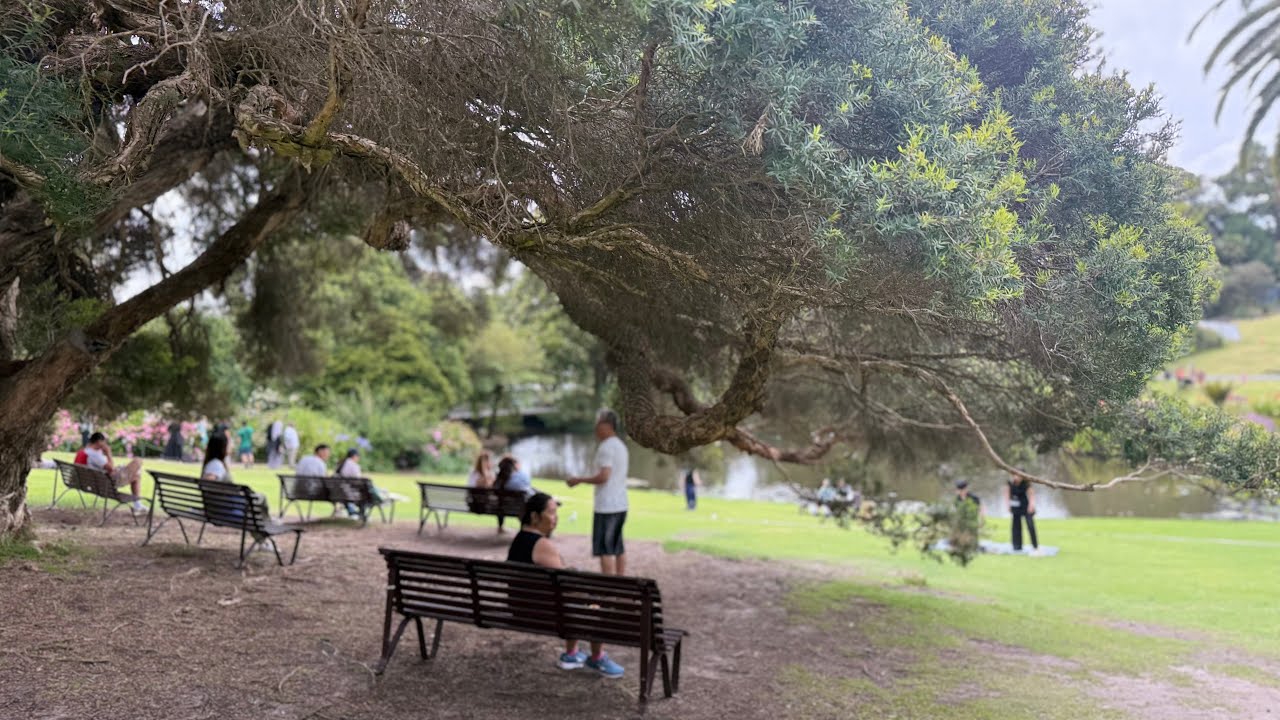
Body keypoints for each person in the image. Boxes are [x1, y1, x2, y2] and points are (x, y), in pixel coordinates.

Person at [507, 492, 624, 678]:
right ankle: (596, 656)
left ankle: (572, 654)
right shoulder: (541, 544)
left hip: (519, 606)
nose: (556, 518)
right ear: (535, 516)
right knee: (595, 599)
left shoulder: (519, 539)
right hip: (540, 613)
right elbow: (566, 583)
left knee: (576, 597)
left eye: (556, 512)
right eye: (551, 513)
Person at [567, 408, 629, 577]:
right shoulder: (621, 445)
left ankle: (608, 588)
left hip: (607, 506)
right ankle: (621, 584)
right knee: (618, 547)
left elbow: (604, 476)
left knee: (605, 549)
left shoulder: (606, 447)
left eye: (598, 423)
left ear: (607, 425)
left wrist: (578, 480)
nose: (595, 427)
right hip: (621, 504)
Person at [80, 432, 146, 515]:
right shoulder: (94, 455)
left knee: (136, 475)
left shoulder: (85, 451)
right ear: (99, 442)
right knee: (138, 461)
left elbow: (106, 468)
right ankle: (137, 505)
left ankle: (138, 505)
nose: (105, 444)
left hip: (96, 483)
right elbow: (111, 468)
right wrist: (108, 453)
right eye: (104, 442)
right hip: (108, 484)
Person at [1004, 476, 1039, 553]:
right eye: (1015, 475)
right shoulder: (1010, 483)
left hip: (1026, 506)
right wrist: (1008, 505)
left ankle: (1035, 545)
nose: (1017, 477)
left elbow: (1031, 495)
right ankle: (1017, 546)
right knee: (1016, 527)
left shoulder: (1026, 484)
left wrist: (1031, 506)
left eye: (1019, 476)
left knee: (1030, 525)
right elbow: (1007, 494)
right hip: (1015, 506)